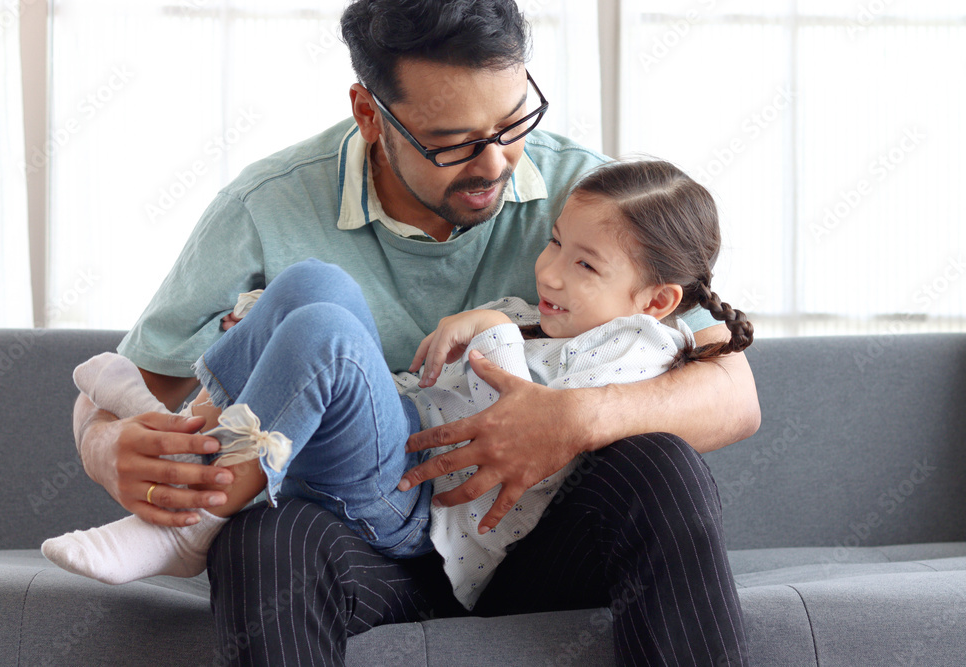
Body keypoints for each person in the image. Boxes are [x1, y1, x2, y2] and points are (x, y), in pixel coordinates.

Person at [70, 1, 760, 664]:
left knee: (662, 466)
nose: (494, 163)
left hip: (532, 535)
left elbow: (731, 393)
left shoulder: (590, 199)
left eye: (513, 120)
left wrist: (567, 420)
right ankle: (200, 521)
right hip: (372, 534)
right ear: (371, 114)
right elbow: (125, 385)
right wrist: (106, 448)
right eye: (452, 142)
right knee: (263, 535)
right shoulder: (265, 207)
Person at [45, 159, 753, 617]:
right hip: (396, 448)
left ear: (658, 301)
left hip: (425, 507)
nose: (551, 273)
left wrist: (490, 322)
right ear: (371, 110)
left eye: (584, 264)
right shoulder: (554, 318)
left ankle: (198, 516)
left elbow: (544, 406)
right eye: (553, 243)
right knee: (311, 283)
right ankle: (184, 432)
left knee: (323, 329)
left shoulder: (639, 348)